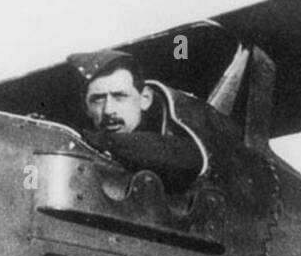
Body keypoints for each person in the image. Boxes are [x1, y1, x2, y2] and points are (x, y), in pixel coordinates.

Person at [66, 49, 203, 190]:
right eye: (98, 100)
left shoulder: (171, 139)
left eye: (120, 97)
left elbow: (189, 159)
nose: (108, 110)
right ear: (86, 107)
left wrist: (101, 141)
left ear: (145, 99)